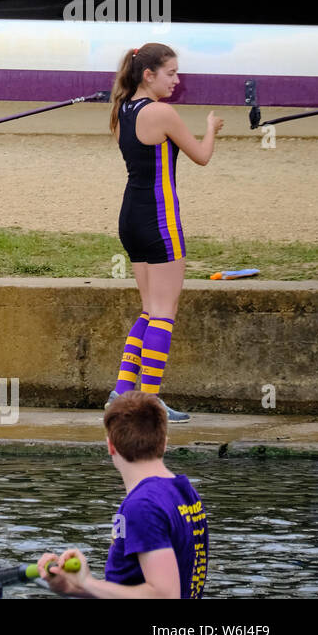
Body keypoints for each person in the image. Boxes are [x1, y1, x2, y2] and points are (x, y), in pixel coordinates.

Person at [107, 44, 223, 423]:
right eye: (171, 73)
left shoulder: (124, 106)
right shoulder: (162, 113)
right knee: (164, 314)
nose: (177, 80)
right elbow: (202, 156)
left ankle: (122, 393)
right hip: (160, 220)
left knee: (149, 309)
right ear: (149, 75)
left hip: (131, 218)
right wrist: (210, 128)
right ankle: (150, 404)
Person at [37, 390, 208, 599]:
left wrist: (88, 581)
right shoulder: (184, 491)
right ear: (164, 442)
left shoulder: (142, 506)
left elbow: (164, 595)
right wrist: (75, 588)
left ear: (110, 446)